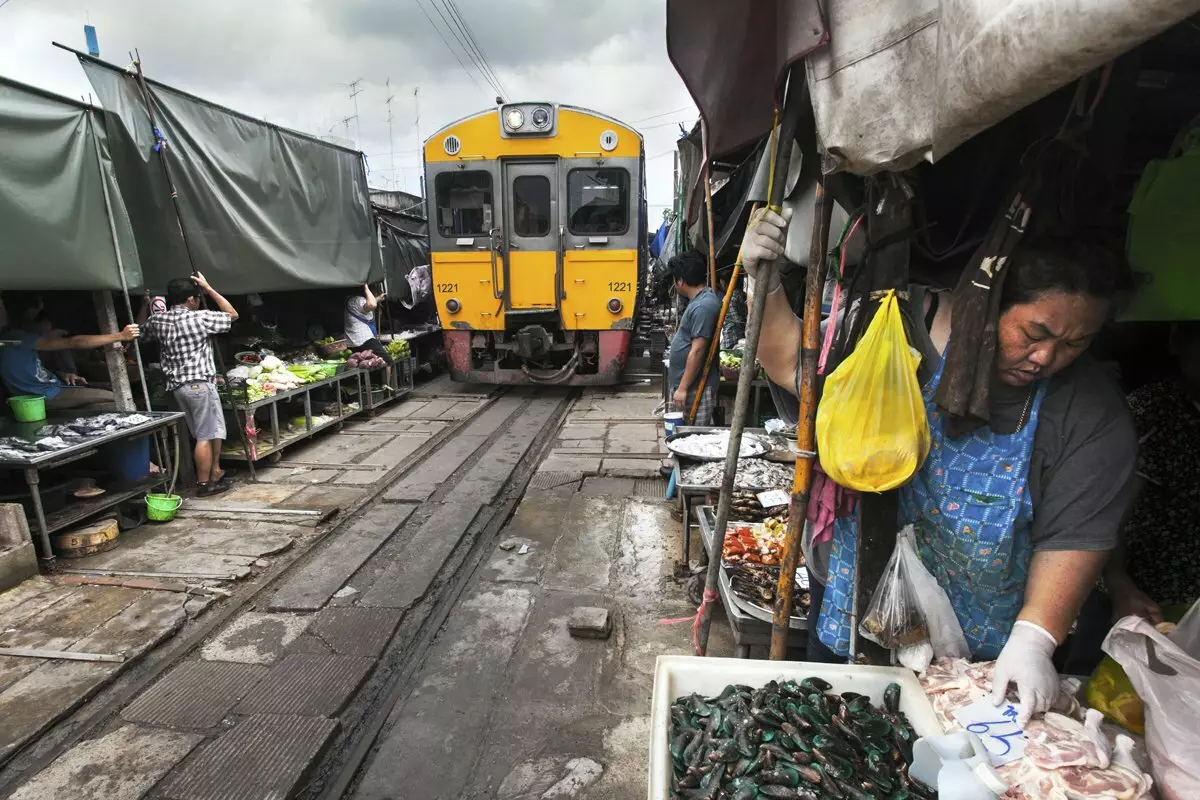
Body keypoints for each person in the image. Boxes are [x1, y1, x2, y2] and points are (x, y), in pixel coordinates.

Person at [741, 208, 1138, 725]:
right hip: (857, 605)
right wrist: (765, 285)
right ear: (988, 303)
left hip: (982, 656)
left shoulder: (1088, 410)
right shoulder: (898, 332)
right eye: (1034, 333)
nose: (1046, 357)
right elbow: (795, 362)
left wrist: (1035, 639)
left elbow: (1076, 534)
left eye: (1074, 343)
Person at [140, 273, 238, 497]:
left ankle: (215, 471)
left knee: (211, 430)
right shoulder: (199, 318)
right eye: (197, 298)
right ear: (192, 299)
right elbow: (232, 315)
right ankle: (204, 484)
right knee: (204, 435)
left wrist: (145, 306)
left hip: (179, 387)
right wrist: (209, 287)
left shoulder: (158, 320)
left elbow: (141, 331)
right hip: (198, 384)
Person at [0, 296, 138, 410]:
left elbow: (27, 370)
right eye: (39, 316)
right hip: (46, 395)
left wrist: (62, 374)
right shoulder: (18, 338)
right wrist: (120, 336)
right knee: (120, 399)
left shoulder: (18, 339)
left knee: (110, 390)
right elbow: (74, 342)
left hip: (55, 386)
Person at [667, 251, 721, 426]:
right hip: (688, 383)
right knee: (681, 433)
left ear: (680, 281)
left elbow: (698, 350)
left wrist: (682, 388)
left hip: (694, 386)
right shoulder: (699, 301)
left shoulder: (702, 306)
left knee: (692, 435)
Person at [344, 284, 393, 365]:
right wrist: (366, 287)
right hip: (364, 340)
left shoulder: (351, 300)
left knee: (366, 364)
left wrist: (377, 299)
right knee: (388, 362)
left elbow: (365, 304)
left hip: (353, 341)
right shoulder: (358, 300)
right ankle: (388, 377)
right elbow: (372, 304)